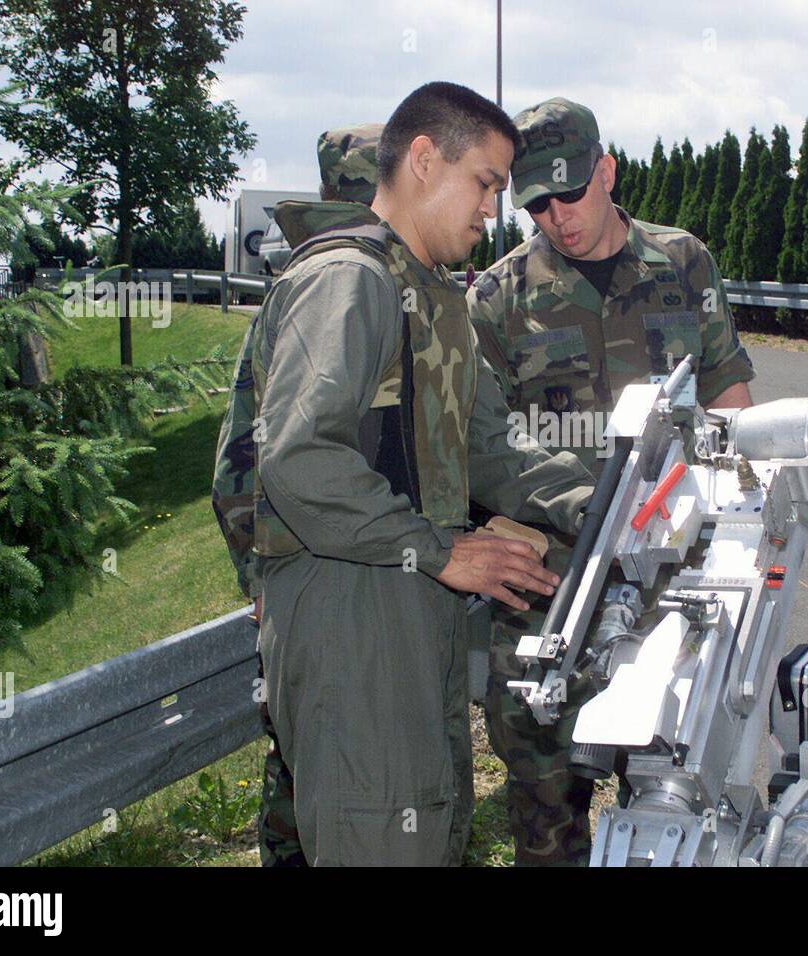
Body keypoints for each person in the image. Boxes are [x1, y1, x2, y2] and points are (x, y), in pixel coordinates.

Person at [229, 81, 595, 866]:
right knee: (380, 832)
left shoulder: (434, 298)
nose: (493, 211)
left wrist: (610, 500)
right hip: (350, 608)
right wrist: (443, 551)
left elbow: (491, 446)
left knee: (423, 827)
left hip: (408, 604)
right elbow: (301, 456)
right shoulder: (348, 280)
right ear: (425, 160)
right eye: (487, 184)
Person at [466, 97, 756, 865]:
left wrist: (746, 520)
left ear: (607, 171)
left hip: (675, 589)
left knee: (671, 809)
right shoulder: (497, 299)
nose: (558, 217)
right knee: (548, 822)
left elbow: (729, 396)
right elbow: (479, 445)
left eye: (571, 192)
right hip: (549, 596)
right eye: (536, 204)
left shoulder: (683, 263)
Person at [212, 123, 384, 866]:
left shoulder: (331, 279)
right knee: (307, 771)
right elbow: (244, 463)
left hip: (326, 583)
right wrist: (261, 575)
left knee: (311, 768)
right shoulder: (334, 285)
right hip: (309, 581)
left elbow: (232, 468)